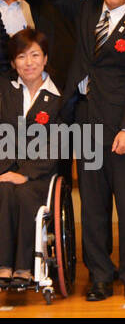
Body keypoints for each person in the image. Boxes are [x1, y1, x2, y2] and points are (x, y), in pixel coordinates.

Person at [40, 0, 125, 302]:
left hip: (122, 127)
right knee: (93, 205)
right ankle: (100, 276)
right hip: (87, 123)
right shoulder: (87, 10)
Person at [0, 29, 62, 290]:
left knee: (23, 193)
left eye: (35, 55)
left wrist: (25, 173)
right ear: (13, 63)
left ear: (45, 58)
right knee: (4, 189)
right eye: (22, 56)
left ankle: (24, 267)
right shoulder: (4, 90)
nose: (29, 62)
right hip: (3, 168)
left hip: (39, 176)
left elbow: (58, 142)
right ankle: (4, 264)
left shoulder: (57, 97)